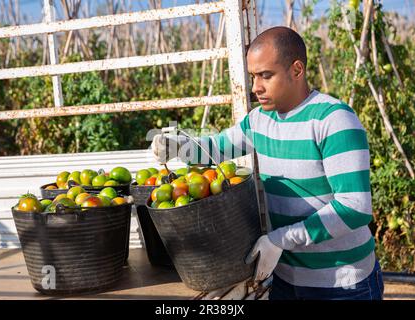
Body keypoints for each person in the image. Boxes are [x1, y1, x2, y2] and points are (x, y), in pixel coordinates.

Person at [151, 26, 384, 300]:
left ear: (297, 70)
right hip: (285, 279)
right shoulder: (260, 120)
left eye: (266, 75)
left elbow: (355, 207)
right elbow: (217, 148)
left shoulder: (334, 121)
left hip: (341, 284)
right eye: (253, 76)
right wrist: (180, 146)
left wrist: (281, 239)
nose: (255, 87)